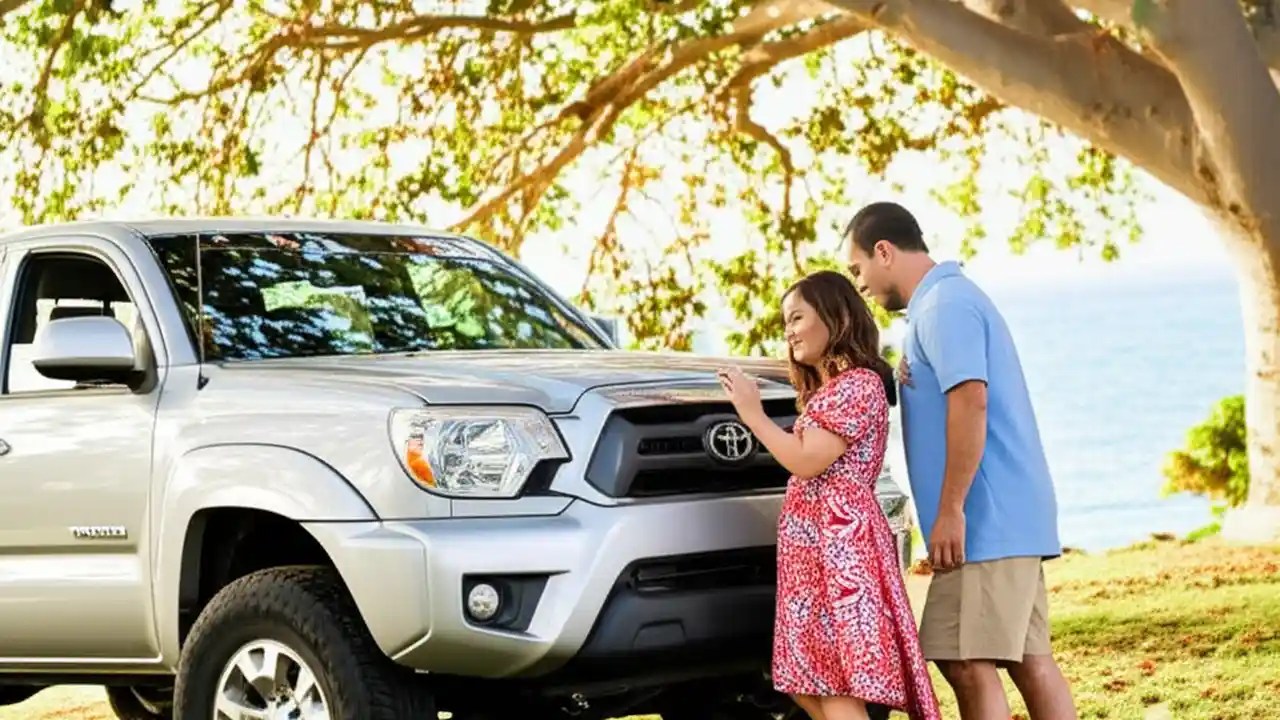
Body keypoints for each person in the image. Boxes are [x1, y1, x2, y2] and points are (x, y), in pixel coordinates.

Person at [842, 200, 1078, 720]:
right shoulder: (945, 302)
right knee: (1030, 660)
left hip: (984, 518)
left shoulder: (943, 305)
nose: (860, 283)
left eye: (858, 268)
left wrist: (951, 509)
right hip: (1008, 515)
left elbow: (971, 399)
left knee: (965, 660)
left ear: (884, 251)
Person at [718, 270, 941, 720]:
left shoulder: (858, 384)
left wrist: (752, 414)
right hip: (815, 553)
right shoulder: (832, 391)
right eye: (786, 322)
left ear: (834, 316)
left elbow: (806, 460)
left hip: (839, 551)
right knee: (808, 684)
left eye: (797, 317)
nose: (789, 331)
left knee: (835, 682)